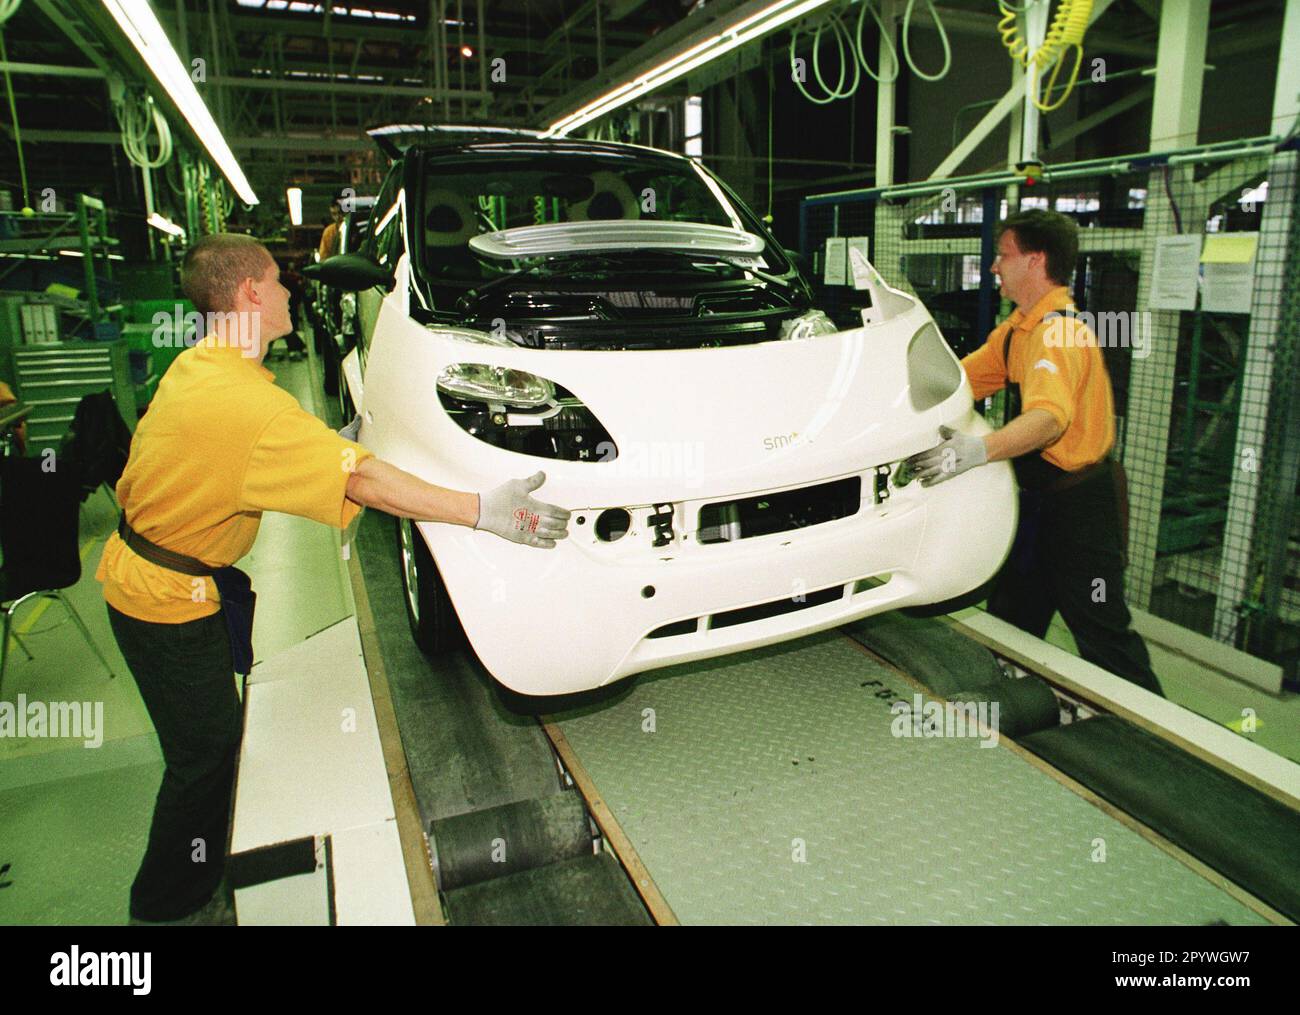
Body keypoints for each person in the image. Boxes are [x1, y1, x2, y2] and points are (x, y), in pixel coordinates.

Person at [96, 233, 570, 925]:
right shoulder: (249, 409)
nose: (291, 290)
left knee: (210, 746)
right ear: (249, 294)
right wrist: (481, 511)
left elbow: (248, 457)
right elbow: (362, 480)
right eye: (277, 280)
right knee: (204, 757)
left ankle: (196, 880)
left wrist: (340, 440)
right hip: (164, 601)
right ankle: (166, 908)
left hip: (149, 574)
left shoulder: (204, 367)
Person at [906, 209, 1162, 697]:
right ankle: (1011, 713)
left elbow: (1049, 421)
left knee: (1100, 625)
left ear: (1035, 260)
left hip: (1081, 508)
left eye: (1004, 255)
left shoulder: (1058, 333)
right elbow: (956, 383)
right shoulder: (1019, 330)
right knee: (1012, 615)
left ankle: (1157, 742)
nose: (994, 266)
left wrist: (976, 451)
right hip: (1039, 503)